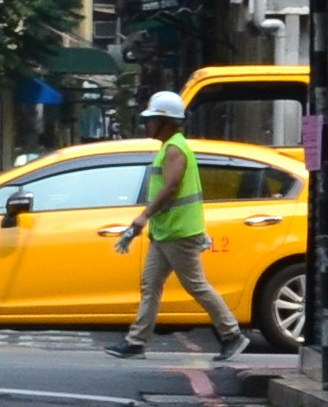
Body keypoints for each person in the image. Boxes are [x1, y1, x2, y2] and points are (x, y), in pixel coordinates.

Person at [107, 89, 256, 360]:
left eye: (153, 119)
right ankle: (136, 341)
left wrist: (144, 216)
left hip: (178, 231)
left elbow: (171, 186)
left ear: (167, 122)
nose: (148, 124)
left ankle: (232, 334)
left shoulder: (175, 148)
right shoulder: (169, 146)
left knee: (196, 285)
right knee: (150, 285)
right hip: (166, 231)